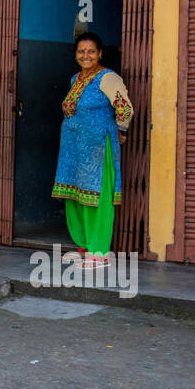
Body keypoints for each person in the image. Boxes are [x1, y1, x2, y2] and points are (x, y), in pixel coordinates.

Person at [52, 32, 134, 268]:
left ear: (100, 53)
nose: (85, 55)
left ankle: (100, 253)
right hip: (73, 150)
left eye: (91, 51)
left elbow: (125, 108)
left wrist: (122, 130)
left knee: (96, 196)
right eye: (81, 51)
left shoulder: (108, 78)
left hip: (97, 147)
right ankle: (85, 246)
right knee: (75, 195)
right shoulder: (75, 79)